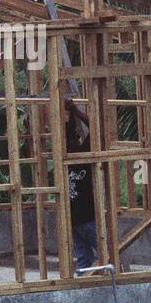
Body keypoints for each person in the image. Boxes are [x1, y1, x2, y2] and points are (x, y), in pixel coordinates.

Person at [63, 97, 99, 273]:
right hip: (82, 220)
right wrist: (74, 110)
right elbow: (96, 128)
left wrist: (73, 111)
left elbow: (97, 128)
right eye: (75, 137)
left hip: (79, 219)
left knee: (87, 259)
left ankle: (92, 282)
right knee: (95, 256)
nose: (77, 139)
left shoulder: (78, 155)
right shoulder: (78, 155)